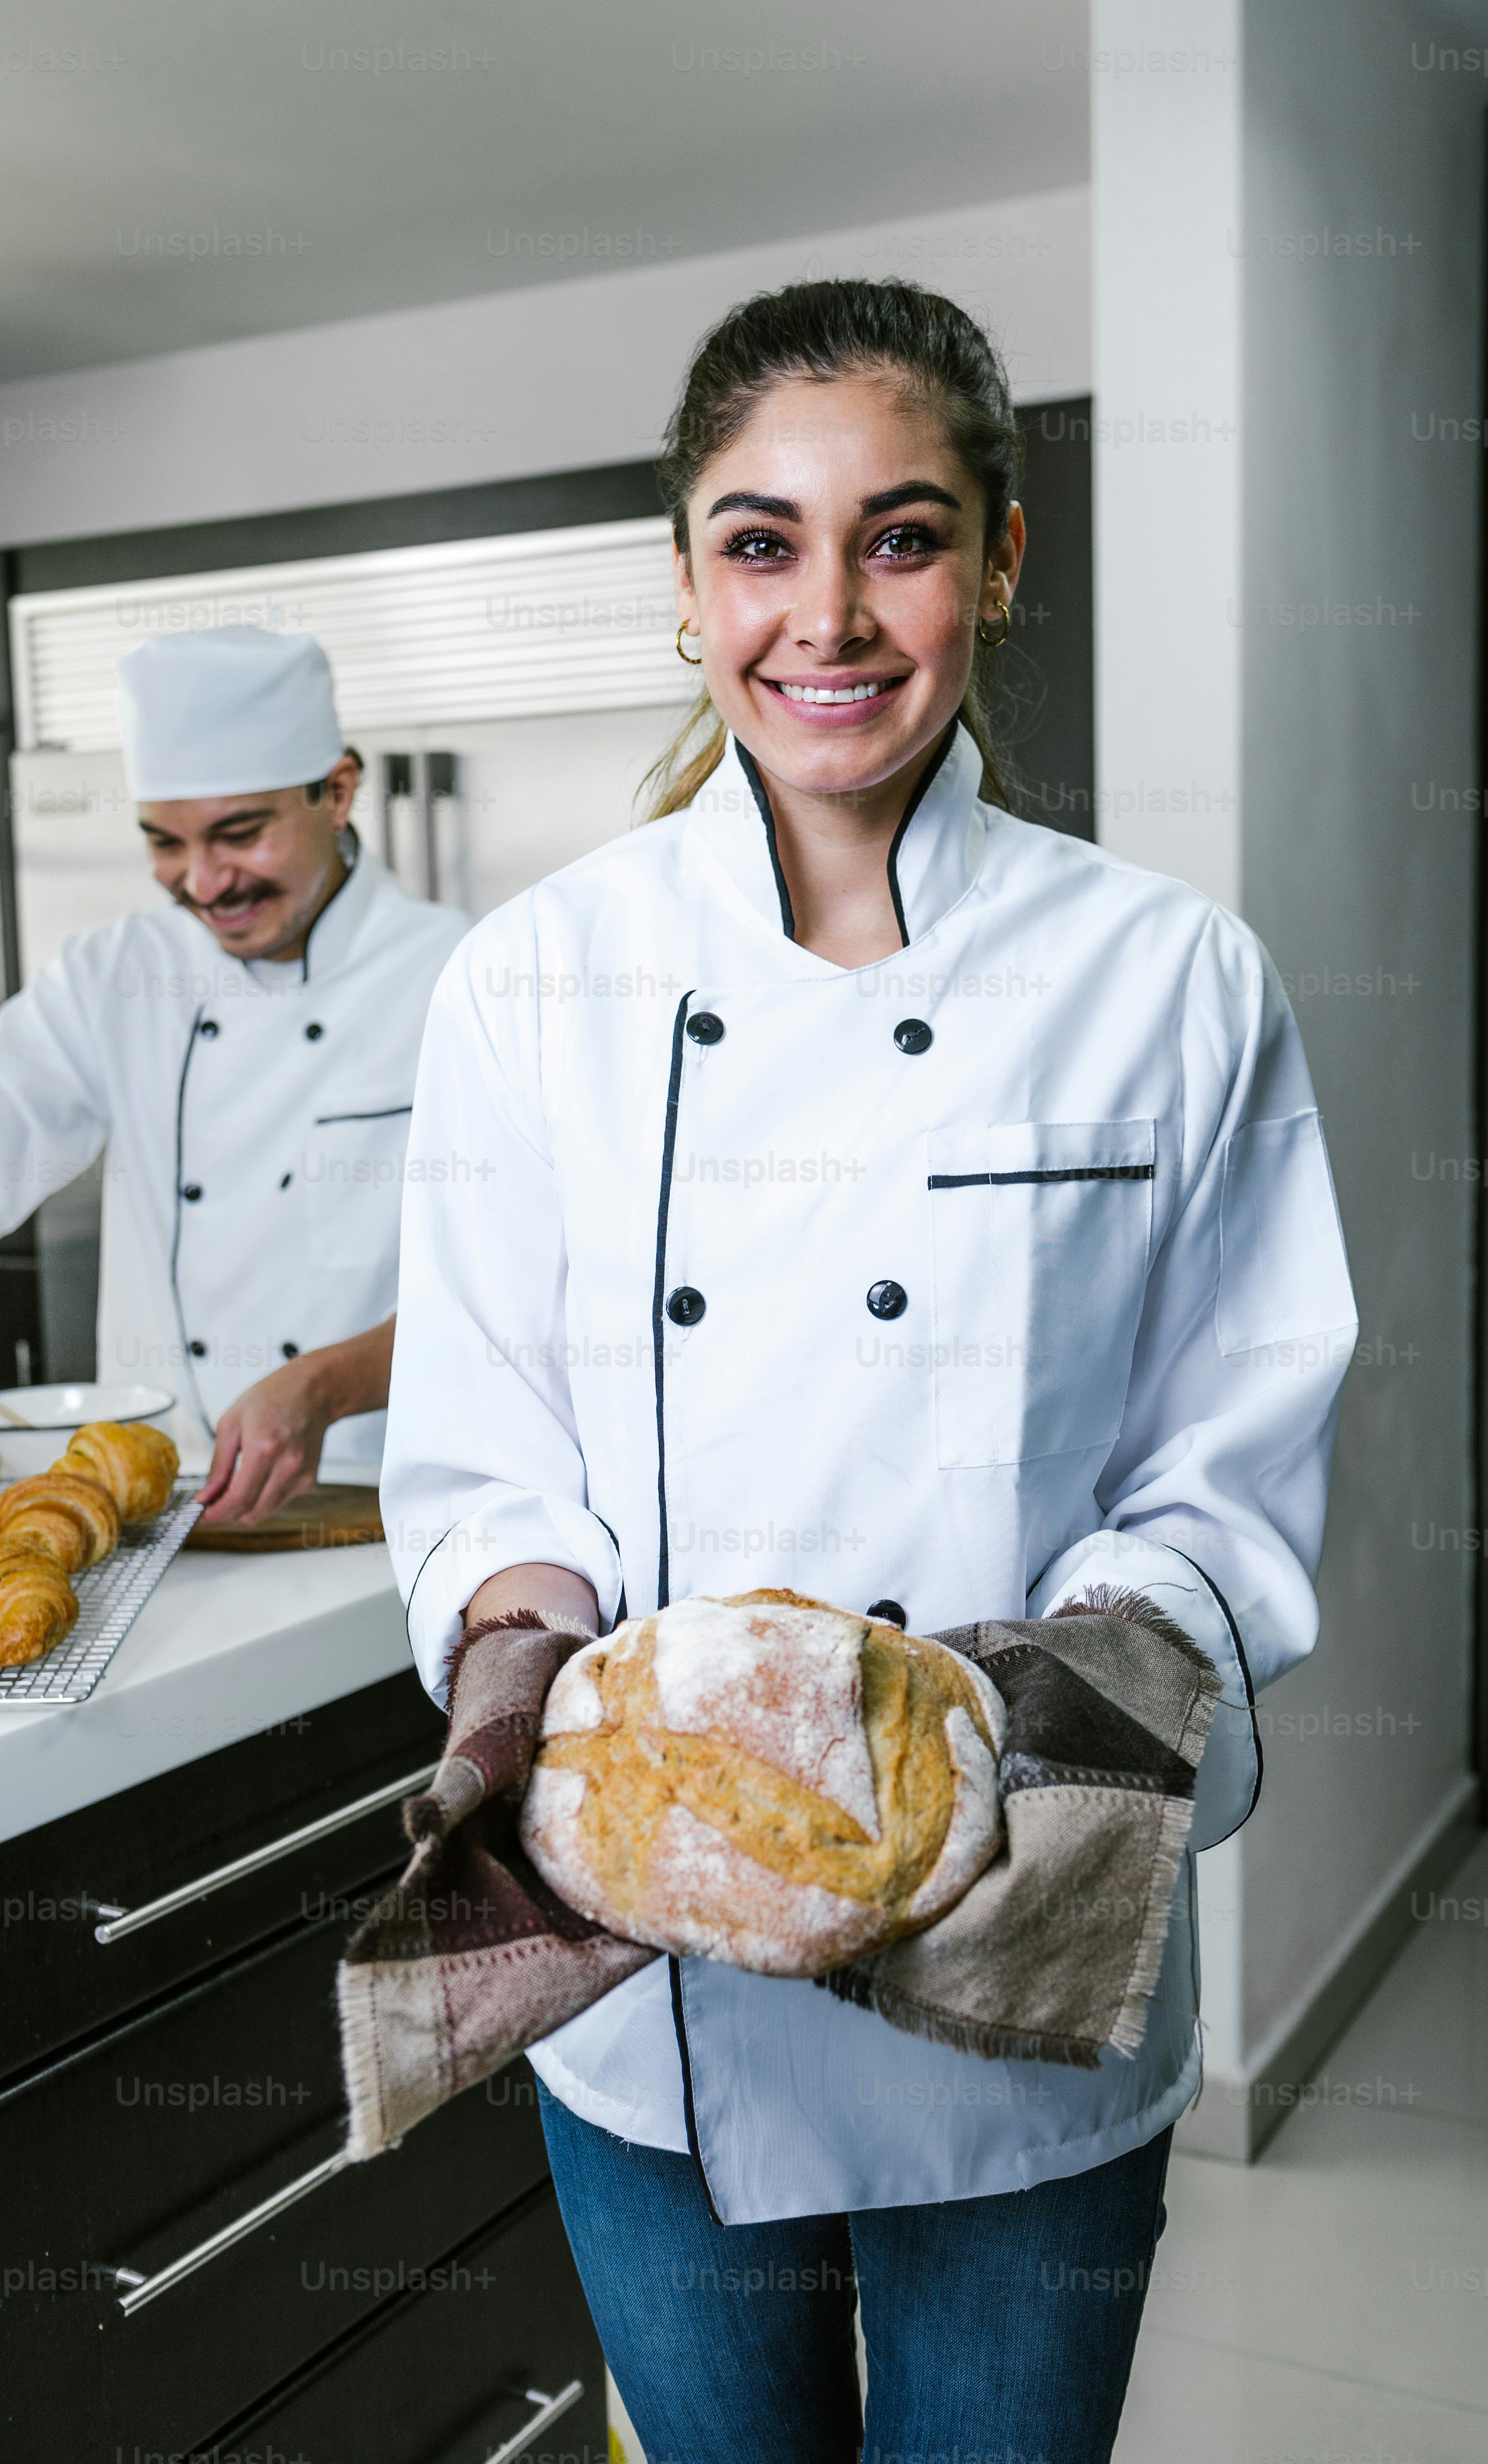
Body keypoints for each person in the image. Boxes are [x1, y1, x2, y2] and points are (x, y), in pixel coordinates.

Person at [382, 281, 1358, 2463]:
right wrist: (517, 1651)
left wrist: (1003, 1719)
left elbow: (1233, 1462)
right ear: (685, 584)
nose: (828, 613)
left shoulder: (1167, 976)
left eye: (902, 536)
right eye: (760, 541)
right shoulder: (534, 978)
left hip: (1023, 1940)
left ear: (1000, 561)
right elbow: (481, 1444)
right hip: (655, 1971)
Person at [0, 626, 466, 1526]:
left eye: (239, 834)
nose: (205, 881)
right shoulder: (116, 974)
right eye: (165, 844)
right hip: (153, 1504)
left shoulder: (465, 975)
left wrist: (327, 1387)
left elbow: (529, 1290)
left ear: (336, 792)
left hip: (380, 1511)